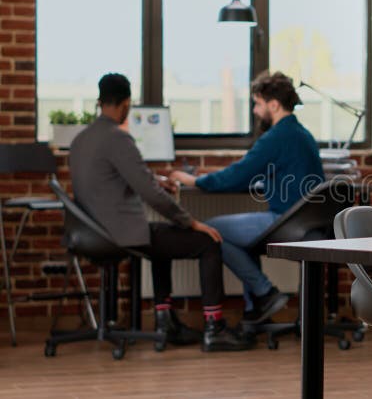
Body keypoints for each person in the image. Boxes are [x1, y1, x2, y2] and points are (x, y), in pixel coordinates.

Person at [69, 73, 254, 352]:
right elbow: (151, 195)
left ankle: (165, 321)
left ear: (100, 100)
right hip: (119, 234)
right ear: (126, 104)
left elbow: (117, 175)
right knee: (209, 241)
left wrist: (154, 179)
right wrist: (191, 222)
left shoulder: (81, 140)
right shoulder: (118, 138)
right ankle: (214, 328)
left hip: (89, 233)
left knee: (160, 238)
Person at [169, 71, 324, 324]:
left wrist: (194, 181)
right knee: (241, 239)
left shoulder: (277, 136)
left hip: (289, 223)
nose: (254, 110)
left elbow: (236, 175)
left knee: (214, 230)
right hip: (308, 222)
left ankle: (265, 293)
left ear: (273, 105)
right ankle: (255, 311)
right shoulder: (302, 134)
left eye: (258, 104)